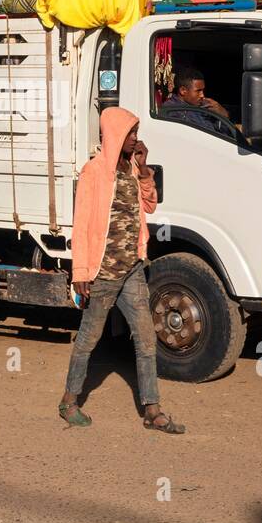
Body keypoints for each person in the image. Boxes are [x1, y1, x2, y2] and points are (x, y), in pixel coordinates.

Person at [60, 107, 183, 434]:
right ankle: (69, 401)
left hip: (131, 269)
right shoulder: (94, 172)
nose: (136, 139)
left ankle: (152, 410)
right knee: (89, 338)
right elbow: (82, 225)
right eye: (130, 133)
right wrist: (81, 272)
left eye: (136, 132)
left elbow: (149, 204)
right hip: (102, 272)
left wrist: (144, 172)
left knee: (145, 338)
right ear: (114, 134)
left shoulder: (131, 169)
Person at [161, 68, 229, 133]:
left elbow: (222, 132)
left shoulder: (200, 107)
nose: (202, 95)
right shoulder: (173, 112)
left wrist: (223, 114)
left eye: (202, 90)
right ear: (183, 90)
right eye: (198, 91)